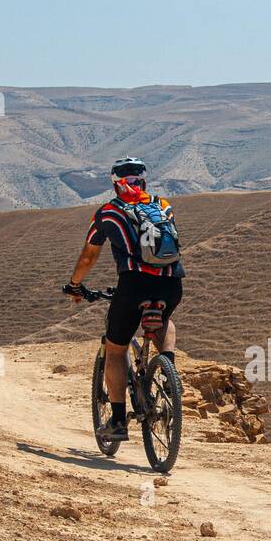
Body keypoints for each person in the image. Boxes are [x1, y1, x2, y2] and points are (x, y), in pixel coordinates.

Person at [64, 158, 183, 442]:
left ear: (115, 183)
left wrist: (75, 285)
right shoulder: (162, 206)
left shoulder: (108, 212)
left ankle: (117, 421)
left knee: (115, 349)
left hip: (134, 285)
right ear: (143, 180)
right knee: (165, 321)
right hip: (172, 284)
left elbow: (88, 256)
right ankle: (168, 373)